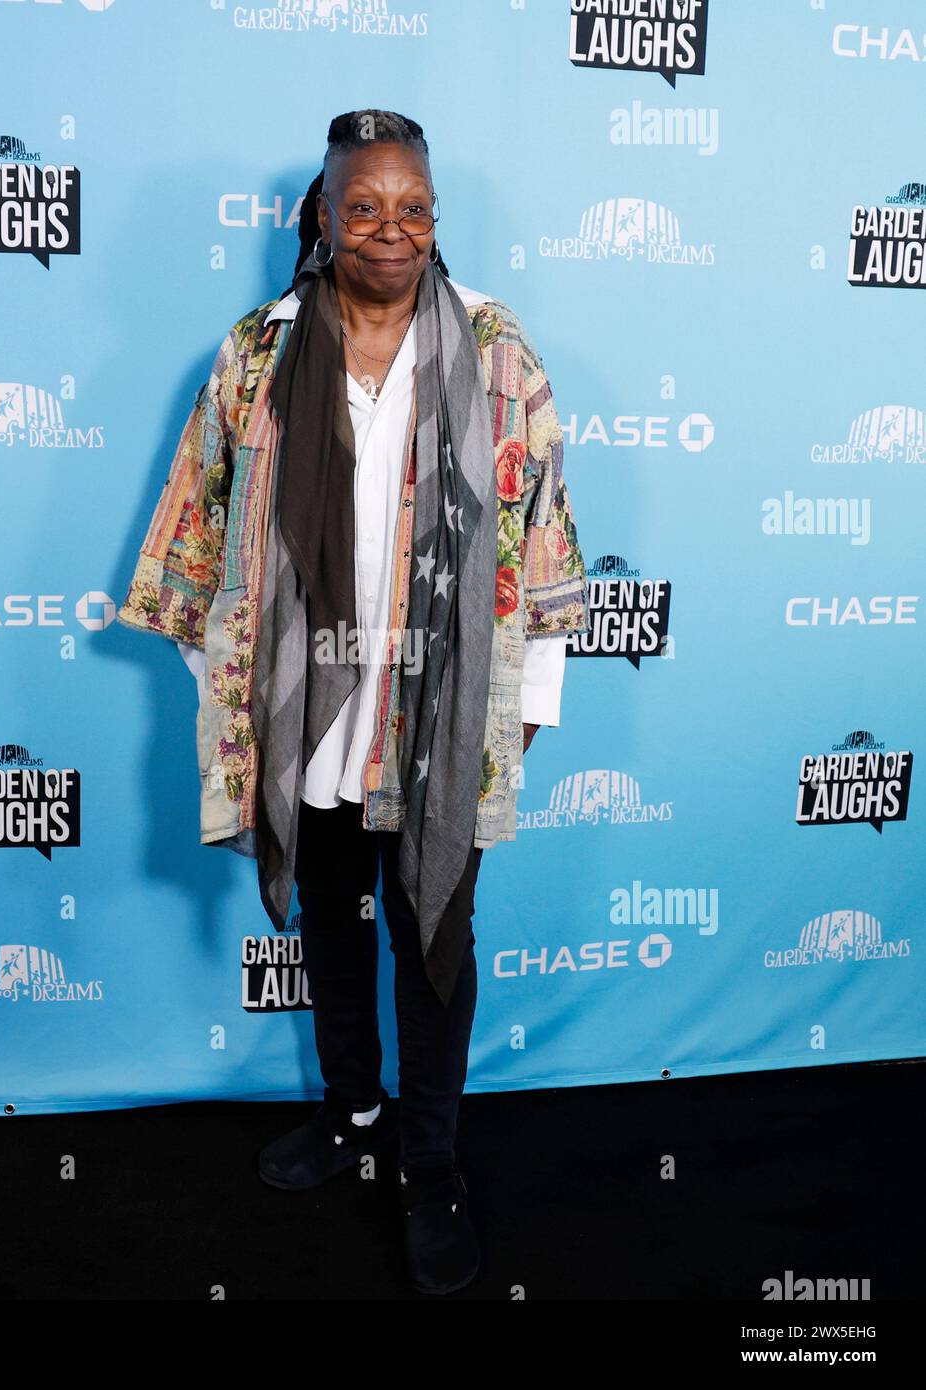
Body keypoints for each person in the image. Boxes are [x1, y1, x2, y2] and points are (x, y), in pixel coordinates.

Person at [117, 109, 590, 1296]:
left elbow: (538, 530)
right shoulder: (256, 349)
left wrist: (524, 693)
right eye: (364, 205)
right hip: (304, 698)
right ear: (322, 215)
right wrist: (234, 685)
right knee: (331, 915)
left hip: (442, 701)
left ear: (437, 219)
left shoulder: (494, 350)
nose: (391, 227)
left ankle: (429, 1160)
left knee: (432, 932)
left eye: (413, 206)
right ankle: (353, 1112)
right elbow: (197, 518)